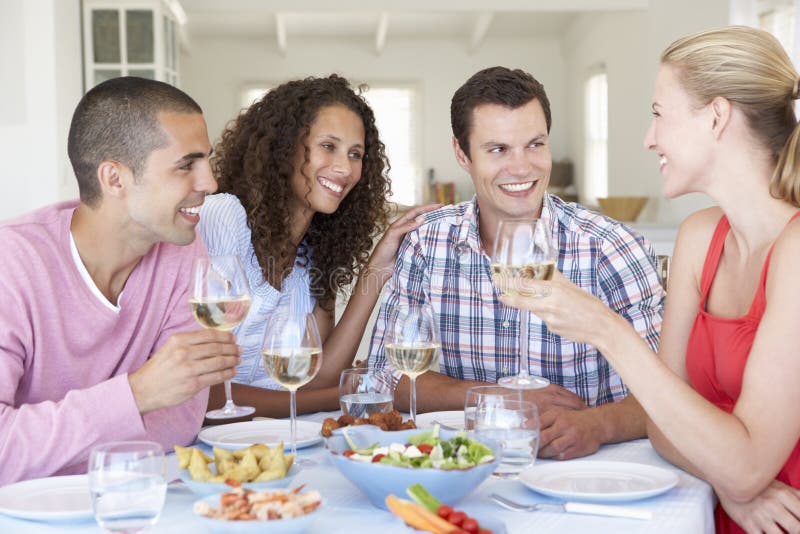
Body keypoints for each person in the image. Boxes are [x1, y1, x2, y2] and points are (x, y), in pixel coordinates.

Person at [495, 27, 800, 534]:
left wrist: (606, 329)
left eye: (659, 113)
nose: (649, 137)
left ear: (717, 117)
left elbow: (749, 466)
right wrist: (728, 485)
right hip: (714, 509)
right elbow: (661, 424)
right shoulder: (699, 238)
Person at [368, 66, 664, 460]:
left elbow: (673, 392)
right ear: (462, 153)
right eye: (498, 149)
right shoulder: (427, 242)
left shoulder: (611, 246)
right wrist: (498, 397)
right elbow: (386, 378)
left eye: (534, 144)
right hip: (467, 466)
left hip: (592, 470)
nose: (522, 167)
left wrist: (600, 424)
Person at [0, 77, 240, 484]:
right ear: (114, 179)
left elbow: (181, 421)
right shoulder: (13, 264)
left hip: (129, 502)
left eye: (207, 161)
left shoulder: (182, 249)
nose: (210, 183)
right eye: (187, 164)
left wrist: (44, 451)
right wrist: (137, 395)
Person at [199, 74, 437, 418]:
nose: (344, 168)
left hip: (274, 442)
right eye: (328, 146)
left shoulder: (316, 253)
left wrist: (375, 271)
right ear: (283, 147)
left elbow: (320, 377)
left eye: (355, 154)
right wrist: (339, 396)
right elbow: (204, 396)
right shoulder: (223, 218)